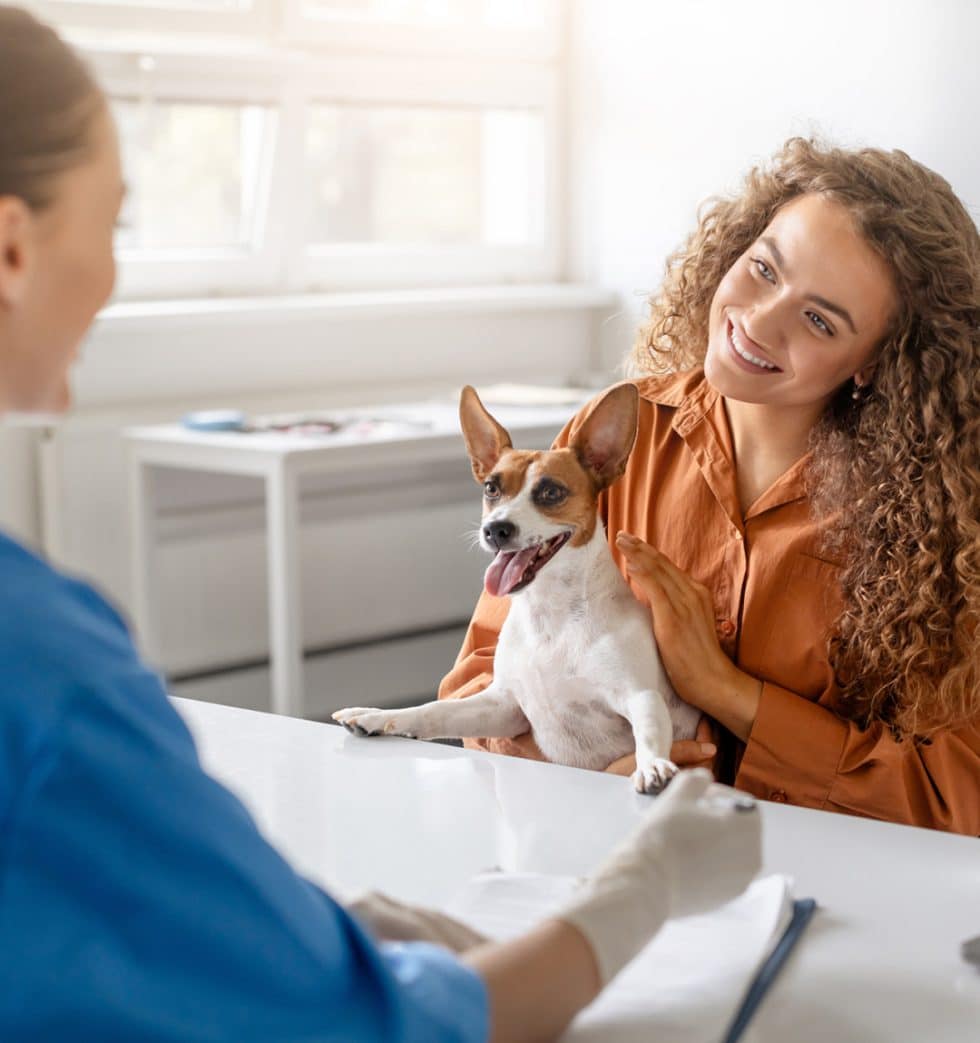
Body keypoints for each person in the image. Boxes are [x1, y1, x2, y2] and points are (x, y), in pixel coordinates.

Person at [0, 8, 763, 1041]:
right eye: (114, 224)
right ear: (13, 250)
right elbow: (371, 1024)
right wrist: (646, 886)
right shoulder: (45, 667)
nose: (111, 274)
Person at [441, 138, 980, 836]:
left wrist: (728, 694)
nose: (757, 320)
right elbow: (480, 682)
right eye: (762, 268)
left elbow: (957, 798)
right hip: (609, 862)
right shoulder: (600, 445)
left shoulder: (943, 525)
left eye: (819, 319)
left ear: (877, 363)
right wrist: (584, 772)